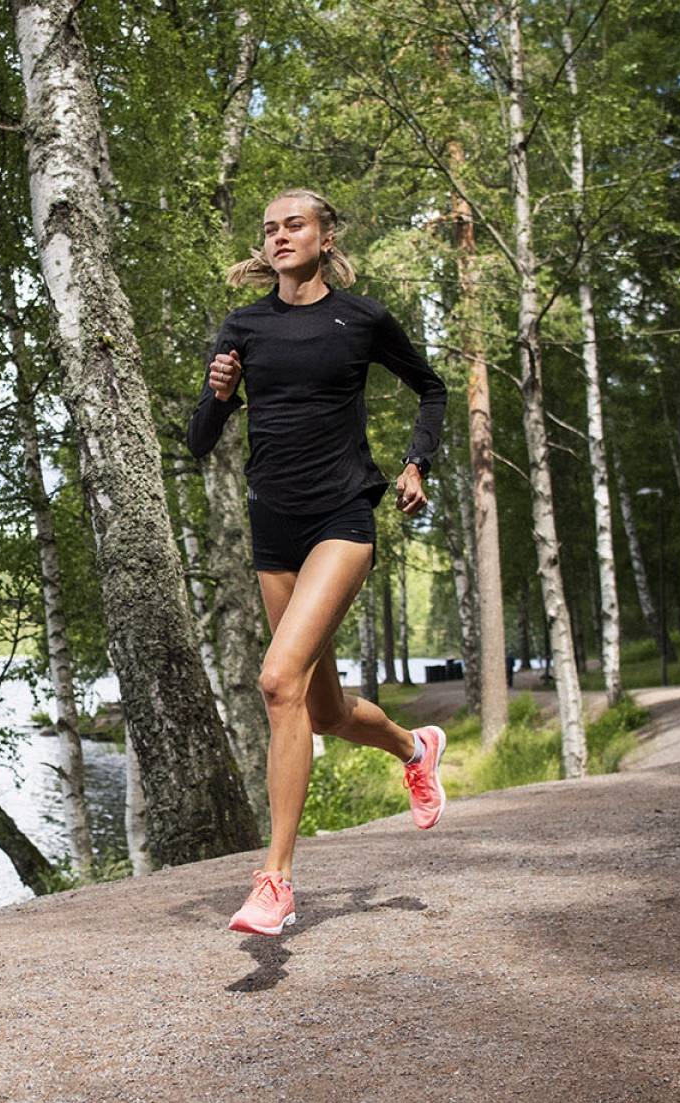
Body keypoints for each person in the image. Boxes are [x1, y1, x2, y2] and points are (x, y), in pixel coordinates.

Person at [187, 187, 452, 937]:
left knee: (277, 682)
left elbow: (431, 389)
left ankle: (275, 880)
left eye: (293, 225)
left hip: (343, 517)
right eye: (269, 229)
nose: (279, 237)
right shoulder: (244, 325)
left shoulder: (360, 318)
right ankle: (414, 745)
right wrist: (219, 397)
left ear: (326, 236)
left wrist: (416, 464)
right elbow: (200, 440)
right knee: (323, 710)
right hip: (274, 525)